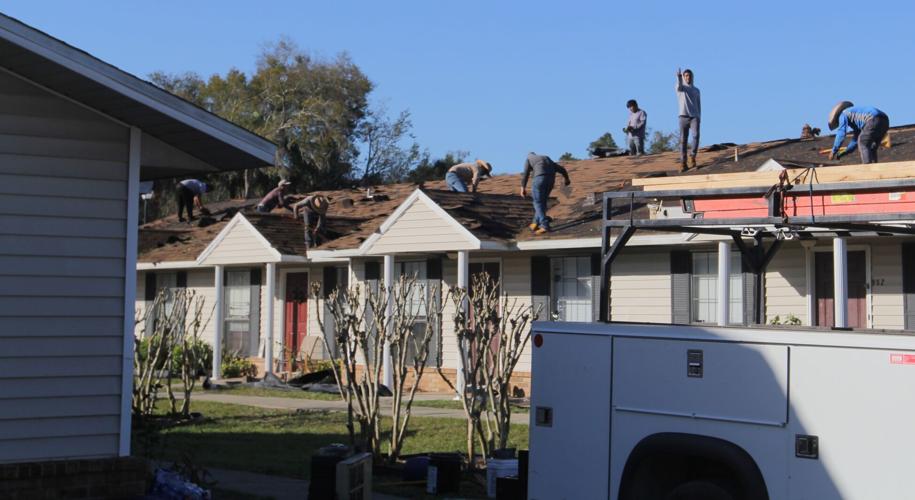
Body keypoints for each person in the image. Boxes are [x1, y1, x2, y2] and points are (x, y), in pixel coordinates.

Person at [520, 153, 571, 235]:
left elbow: (526, 174)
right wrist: (567, 179)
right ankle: (535, 223)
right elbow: (561, 169)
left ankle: (545, 225)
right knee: (542, 202)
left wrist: (523, 188)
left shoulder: (529, 159)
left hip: (539, 179)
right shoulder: (546, 159)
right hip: (550, 180)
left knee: (537, 202)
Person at [675, 68, 701, 171]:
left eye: (689, 76)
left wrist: (699, 116)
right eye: (686, 76)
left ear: (692, 77)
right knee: (683, 140)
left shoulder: (696, 90)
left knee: (695, 136)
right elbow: (679, 86)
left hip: (694, 116)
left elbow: (698, 104)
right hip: (683, 116)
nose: (688, 77)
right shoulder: (681, 88)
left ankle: (693, 157)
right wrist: (679, 77)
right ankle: (683, 162)